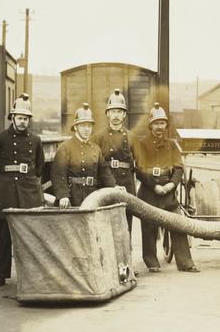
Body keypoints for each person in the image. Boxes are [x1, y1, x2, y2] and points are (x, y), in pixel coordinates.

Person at [136, 103, 200, 273]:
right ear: (150, 125)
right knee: (149, 227)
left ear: (166, 125)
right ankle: (151, 261)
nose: (159, 127)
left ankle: (185, 263)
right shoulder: (142, 144)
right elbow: (140, 170)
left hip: (168, 194)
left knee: (177, 224)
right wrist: (155, 186)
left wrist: (171, 184)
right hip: (149, 193)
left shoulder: (172, 145)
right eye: (156, 123)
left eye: (162, 123)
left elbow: (179, 168)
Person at [0, 94, 44, 287]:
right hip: (6, 192)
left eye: (26, 118)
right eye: (19, 118)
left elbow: (38, 168)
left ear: (29, 120)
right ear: (12, 117)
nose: (23, 122)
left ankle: (31, 275)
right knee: (5, 235)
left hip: (28, 193)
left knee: (29, 236)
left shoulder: (36, 140)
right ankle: (0, 274)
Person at [90, 89, 138, 235]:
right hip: (105, 184)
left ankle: (126, 256)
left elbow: (140, 164)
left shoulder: (132, 137)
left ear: (124, 115)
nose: (116, 115)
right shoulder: (97, 138)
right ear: (107, 114)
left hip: (126, 184)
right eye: (113, 111)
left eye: (119, 111)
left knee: (125, 225)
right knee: (105, 224)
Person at [51, 103, 116, 207]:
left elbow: (105, 173)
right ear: (76, 127)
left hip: (91, 197)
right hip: (72, 197)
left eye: (89, 126)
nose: (87, 129)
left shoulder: (95, 149)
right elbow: (58, 175)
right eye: (83, 126)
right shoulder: (65, 147)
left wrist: (114, 187)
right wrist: (63, 195)